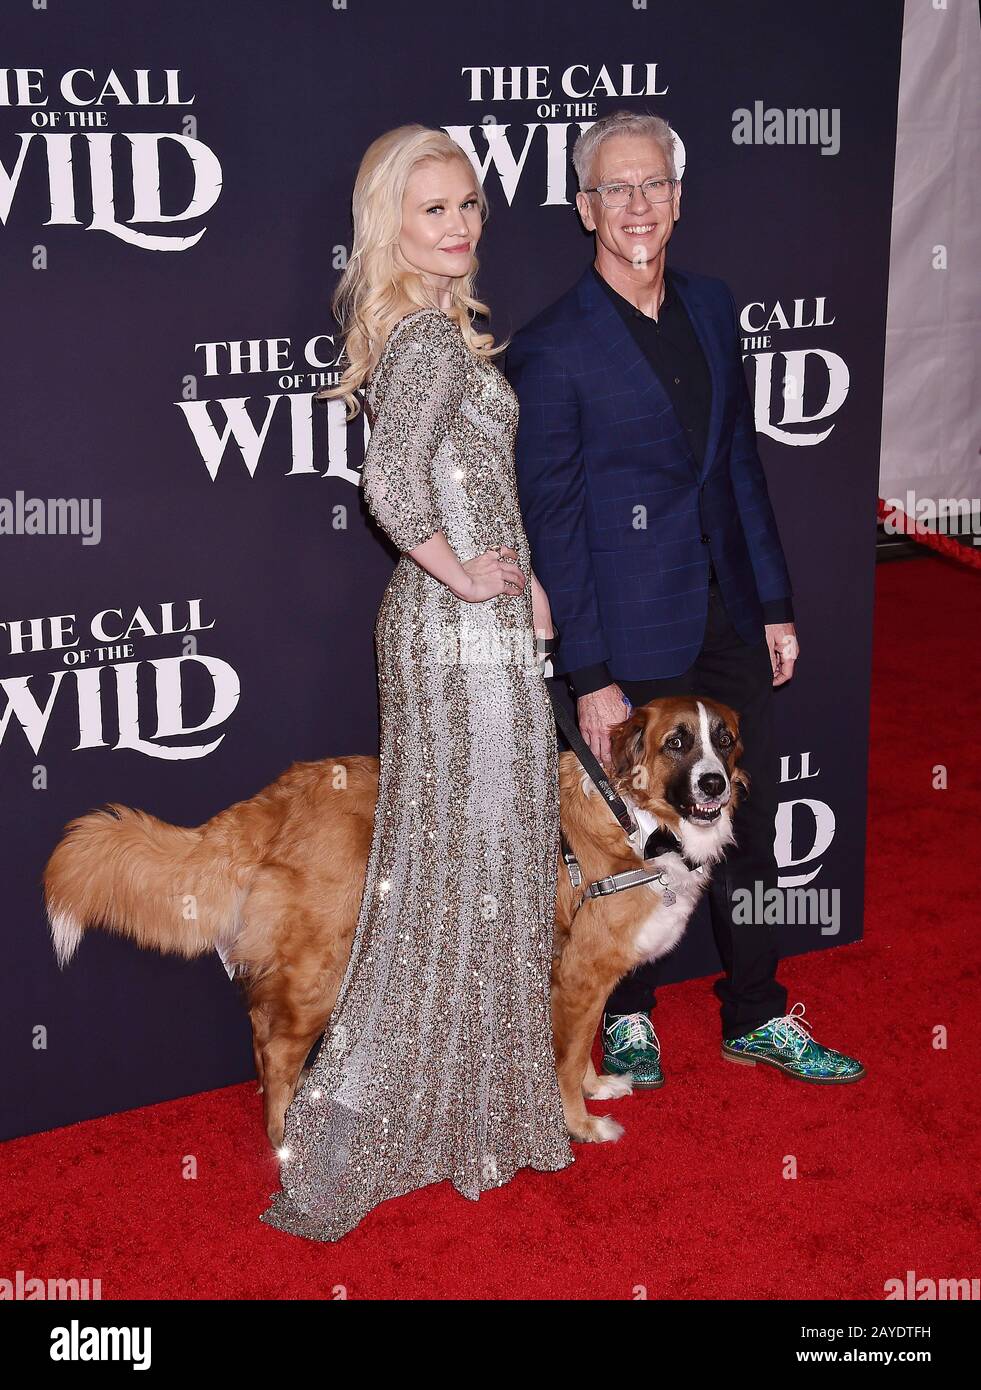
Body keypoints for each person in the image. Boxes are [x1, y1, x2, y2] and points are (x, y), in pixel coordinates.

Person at [259, 125, 573, 1243]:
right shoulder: (431, 346)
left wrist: (521, 583)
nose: (459, 224)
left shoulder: (433, 331)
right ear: (393, 223)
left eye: (469, 203)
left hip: (473, 625)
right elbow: (392, 490)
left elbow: (465, 479)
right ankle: (438, 1114)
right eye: (433, 209)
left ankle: (467, 1110)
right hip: (456, 637)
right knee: (473, 860)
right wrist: (470, 574)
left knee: (470, 860)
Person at [505, 109, 864, 1089]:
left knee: (743, 821)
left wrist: (775, 602)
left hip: (727, 620)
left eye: (654, 184)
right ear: (585, 208)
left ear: (678, 197)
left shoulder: (712, 307)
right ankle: (627, 1017)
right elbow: (556, 522)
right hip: (629, 638)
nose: (637, 205)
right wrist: (588, 674)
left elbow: (738, 468)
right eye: (615, 188)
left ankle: (754, 1011)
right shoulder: (553, 347)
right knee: (632, 836)